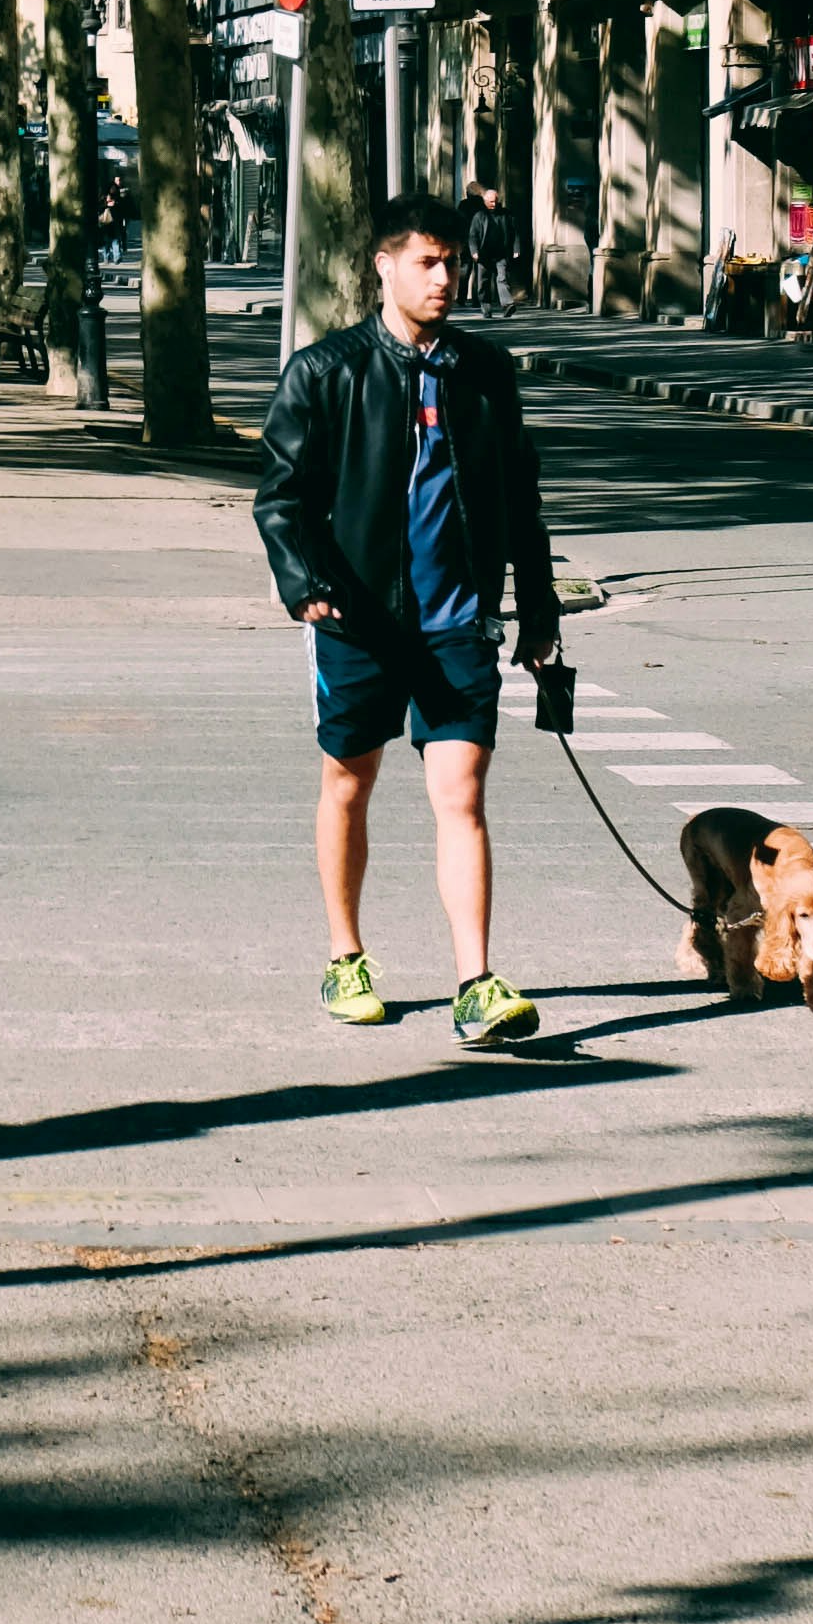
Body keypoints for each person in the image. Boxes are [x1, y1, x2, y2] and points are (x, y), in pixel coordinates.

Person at [253, 196, 564, 1050]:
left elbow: (520, 501)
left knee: (461, 796)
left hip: (460, 621)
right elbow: (281, 496)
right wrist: (304, 581)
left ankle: (475, 979)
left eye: (453, 263)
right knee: (348, 785)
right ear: (382, 266)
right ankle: (345, 956)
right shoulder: (324, 371)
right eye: (428, 262)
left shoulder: (486, 373)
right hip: (360, 622)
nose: (445, 278)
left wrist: (537, 610)